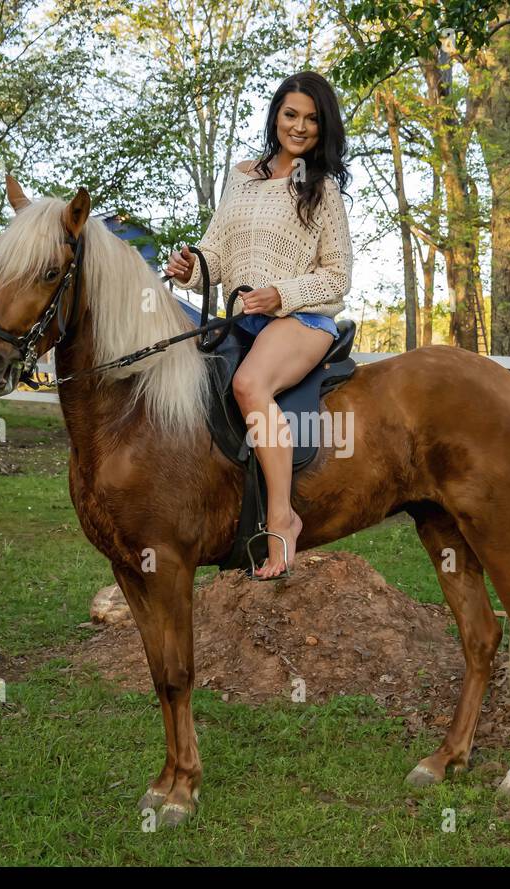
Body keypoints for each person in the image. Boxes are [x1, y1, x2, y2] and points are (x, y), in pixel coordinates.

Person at [164, 71, 354, 579]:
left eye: (312, 119)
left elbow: (337, 277)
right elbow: (217, 251)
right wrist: (191, 266)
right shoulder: (241, 175)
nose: (300, 126)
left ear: (322, 128)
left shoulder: (323, 190)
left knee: (250, 384)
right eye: (291, 114)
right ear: (276, 116)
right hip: (242, 320)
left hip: (302, 319)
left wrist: (281, 295)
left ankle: (281, 519)